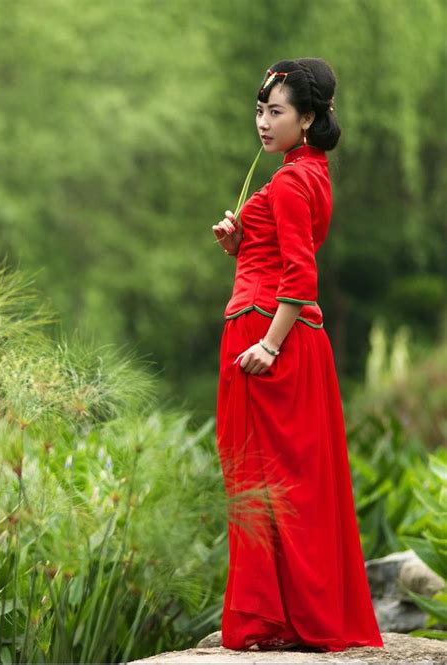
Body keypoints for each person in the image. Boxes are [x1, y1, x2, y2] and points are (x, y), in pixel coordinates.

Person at [212, 58, 385, 653]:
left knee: (261, 481)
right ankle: (297, 614)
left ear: (307, 118)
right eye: (260, 110)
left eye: (277, 111)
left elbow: (300, 275)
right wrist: (240, 242)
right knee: (294, 480)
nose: (263, 122)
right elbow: (286, 249)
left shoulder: (288, 182)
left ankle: (275, 619)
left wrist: (267, 344)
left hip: (268, 338)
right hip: (292, 337)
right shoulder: (312, 172)